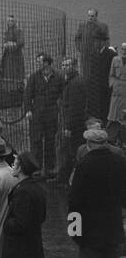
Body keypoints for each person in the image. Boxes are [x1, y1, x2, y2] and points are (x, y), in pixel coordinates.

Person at [67, 128, 126, 258]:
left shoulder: (85, 164)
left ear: (88, 144)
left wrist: (74, 226)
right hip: (113, 221)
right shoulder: (120, 162)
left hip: (90, 223)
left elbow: (75, 199)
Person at [23, 53, 63, 176]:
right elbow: (27, 95)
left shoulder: (58, 77)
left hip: (51, 114)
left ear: (47, 63)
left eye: (40, 61)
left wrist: (61, 111)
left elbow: (63, 95)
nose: (37, 64)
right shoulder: (34, 77)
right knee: (36, 141)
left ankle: (50, 168)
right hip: (37, 115)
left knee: (50, 141)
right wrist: (28, 110)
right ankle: (36, 168)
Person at [56, 57, 87, 186]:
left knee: (68, 151)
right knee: (69, 150)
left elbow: (75, 107)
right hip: (70, 121)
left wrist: (68, 127)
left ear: (74, 66)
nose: (64, 67)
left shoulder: (75, 83)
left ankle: (64, 179)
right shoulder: (70, 81)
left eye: (67, 65)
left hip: (72, 124)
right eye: (63, 65)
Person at [0, 16, 25, 82]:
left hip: (16, 57)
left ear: (14, 22)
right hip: (8, 57)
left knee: (16, 76)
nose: (10, 22)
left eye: (11, 21)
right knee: (7, 75)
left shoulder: (19, 31)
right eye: (9, 21)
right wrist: (6, 44)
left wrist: (12, 44)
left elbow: (21, 42)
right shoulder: (6, 32)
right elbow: (4, 43)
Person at [109, 45, 126, 147]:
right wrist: (113, 85)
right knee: (114, 116)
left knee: (124, 116)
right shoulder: (115, 60)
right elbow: (111, 75)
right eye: (123, 49)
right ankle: (113, 139)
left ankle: (123, 140)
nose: (124, 51)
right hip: (116, 92)